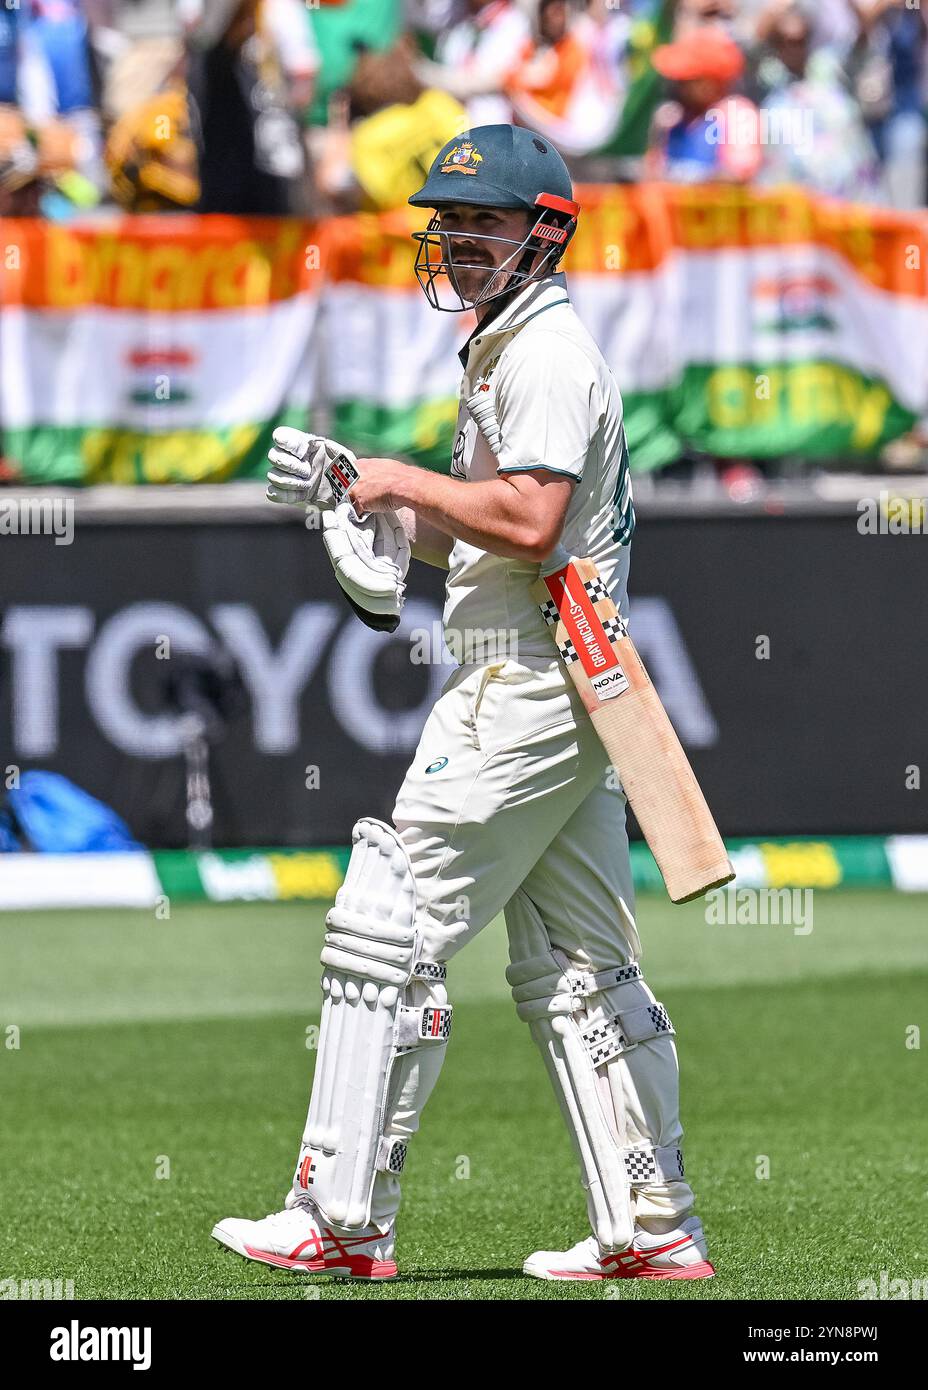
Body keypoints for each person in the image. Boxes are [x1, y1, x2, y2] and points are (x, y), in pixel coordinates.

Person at [212, 124, 715, 1283]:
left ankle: (338, 1217)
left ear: (543, 230)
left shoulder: (544, 353)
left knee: (384, 927)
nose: (458, 242)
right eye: (450, 223)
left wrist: (396, 479)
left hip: (524, 682)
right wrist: (374, 501)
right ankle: (653, 1225)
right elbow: (488, 539)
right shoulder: (503, 349)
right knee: (580, 966)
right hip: (557, 672)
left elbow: (533, 521)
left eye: (480, 222)